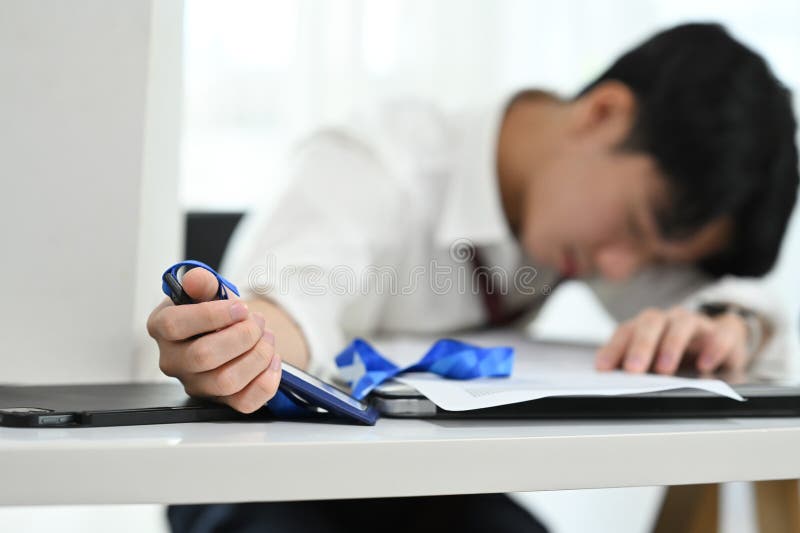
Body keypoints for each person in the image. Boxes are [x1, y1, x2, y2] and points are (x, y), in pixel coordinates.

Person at [148, 23, 798, 533]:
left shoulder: (582, 231)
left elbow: (709, 305)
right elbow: (298, 301)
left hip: (428, 488)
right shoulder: (379, 161)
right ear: (602, 113)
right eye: (635, 225)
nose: (623, 269)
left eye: (658, 259)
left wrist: (727, 324)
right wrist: (246, 343)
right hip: (265, 478)